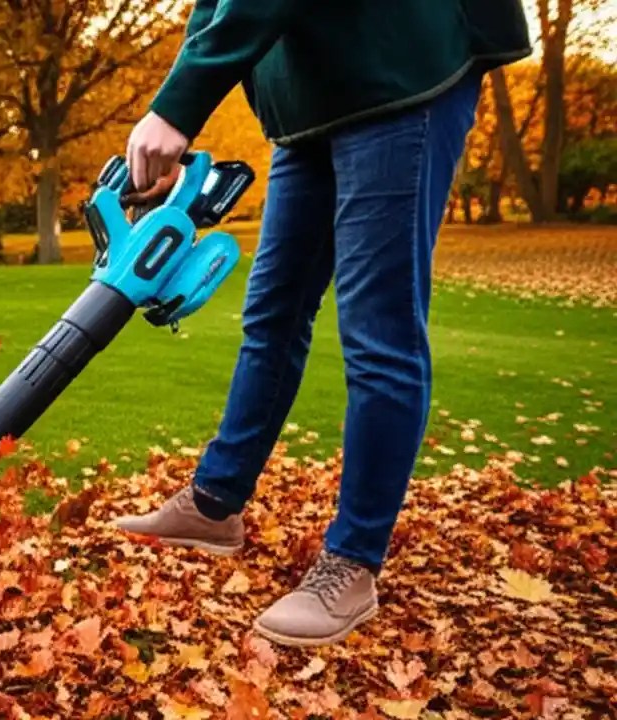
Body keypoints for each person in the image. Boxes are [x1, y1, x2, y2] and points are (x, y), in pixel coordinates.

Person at [115, 0, 531, 647]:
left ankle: (353, 564)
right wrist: (180, 114)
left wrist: (178, 106)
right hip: (314, 98)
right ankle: (215, 505)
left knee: (377, 332)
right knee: (272, 313)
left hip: (400, 69)